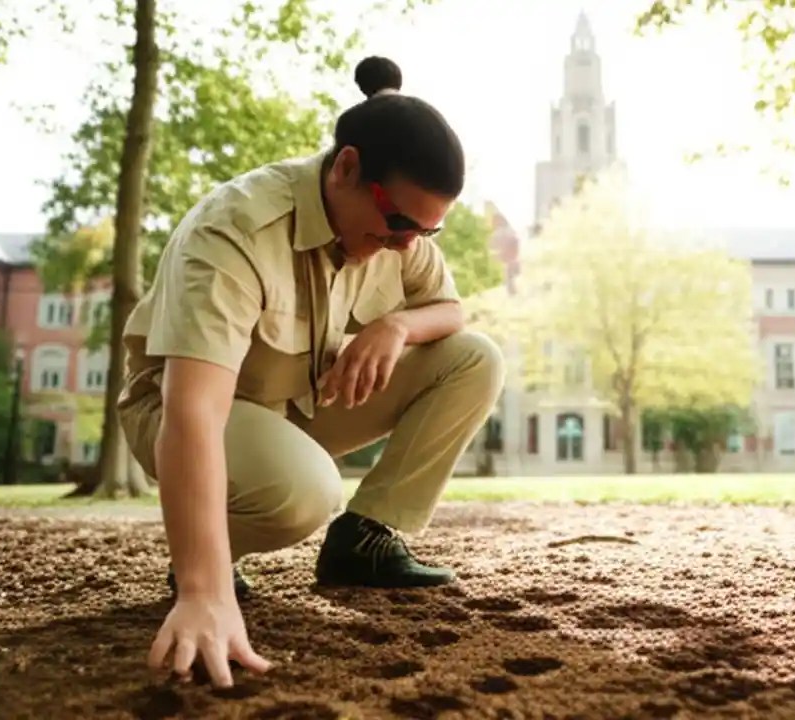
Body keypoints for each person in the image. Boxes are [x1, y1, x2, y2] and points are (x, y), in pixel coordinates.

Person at [117, 56, 505, 688]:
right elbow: (194, 411)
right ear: (347, 167)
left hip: (297, 405)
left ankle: (367, 541)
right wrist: (204, 592)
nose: (410, 244)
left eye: (428, 230)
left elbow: (451, 310)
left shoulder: (399, 237)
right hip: (187, 412)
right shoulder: (236, 230)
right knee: (307, 492)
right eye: (401, 222)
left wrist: (397, 325)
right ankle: (206, 557)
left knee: (474, 358)